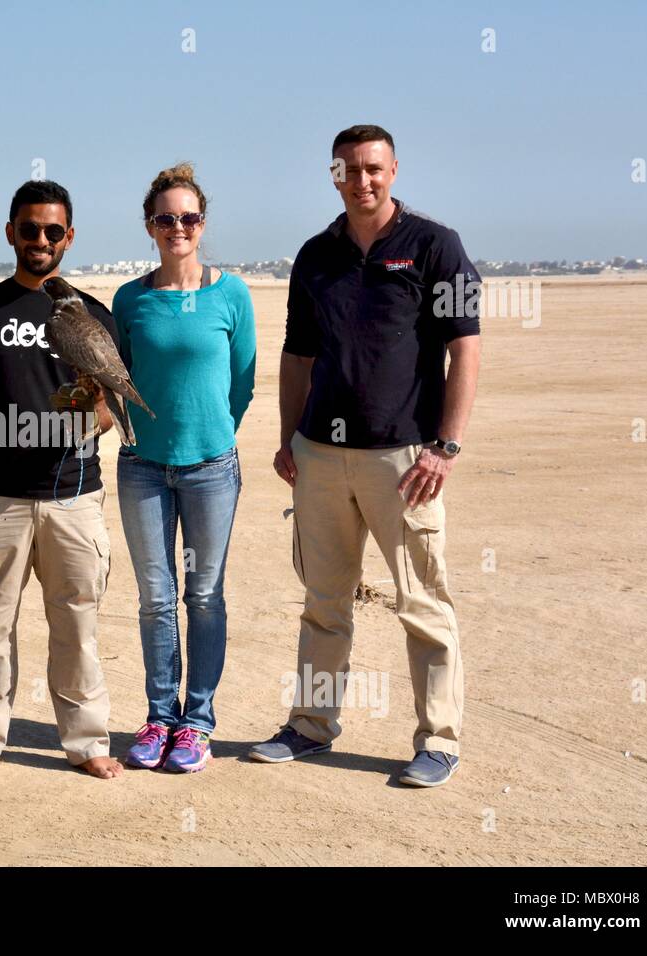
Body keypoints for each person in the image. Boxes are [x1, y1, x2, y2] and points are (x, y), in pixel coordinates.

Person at [249, 124, 481, 788]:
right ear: (333, 175)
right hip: (321, 455)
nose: (361, 180)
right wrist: (289, 438)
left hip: (404, 459)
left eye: (372, 168)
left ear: (394, 170)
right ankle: (310, 727)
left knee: (424, 607)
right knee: (325, 602)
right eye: (347, 169)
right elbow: (298, 354)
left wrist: (446, 446)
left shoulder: (435, 246)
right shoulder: (316, 254)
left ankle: (438, 740)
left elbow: (465, 347)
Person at [0, 180, 123, 781]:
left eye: (52, 231)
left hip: (73, 497)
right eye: (28, 229)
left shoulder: (94, 315)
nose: (39, 240)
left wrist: (77, 419)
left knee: (77, 626)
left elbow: (109, 407)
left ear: (68, 238)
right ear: (10, 232)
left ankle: (88, 741)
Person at [112, 163, 255, 773]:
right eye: (166, 218)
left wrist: (208, 434)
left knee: (204, 595)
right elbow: (114, 381)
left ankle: (197, 723)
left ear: (203, 223)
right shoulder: (130, 299)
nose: (178, 227)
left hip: (210, 470)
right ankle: (158, 716)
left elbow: (243, 382)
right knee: (155, 598)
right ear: (150, 225)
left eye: (189, 217)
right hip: (142, 468)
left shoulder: (232, 293)